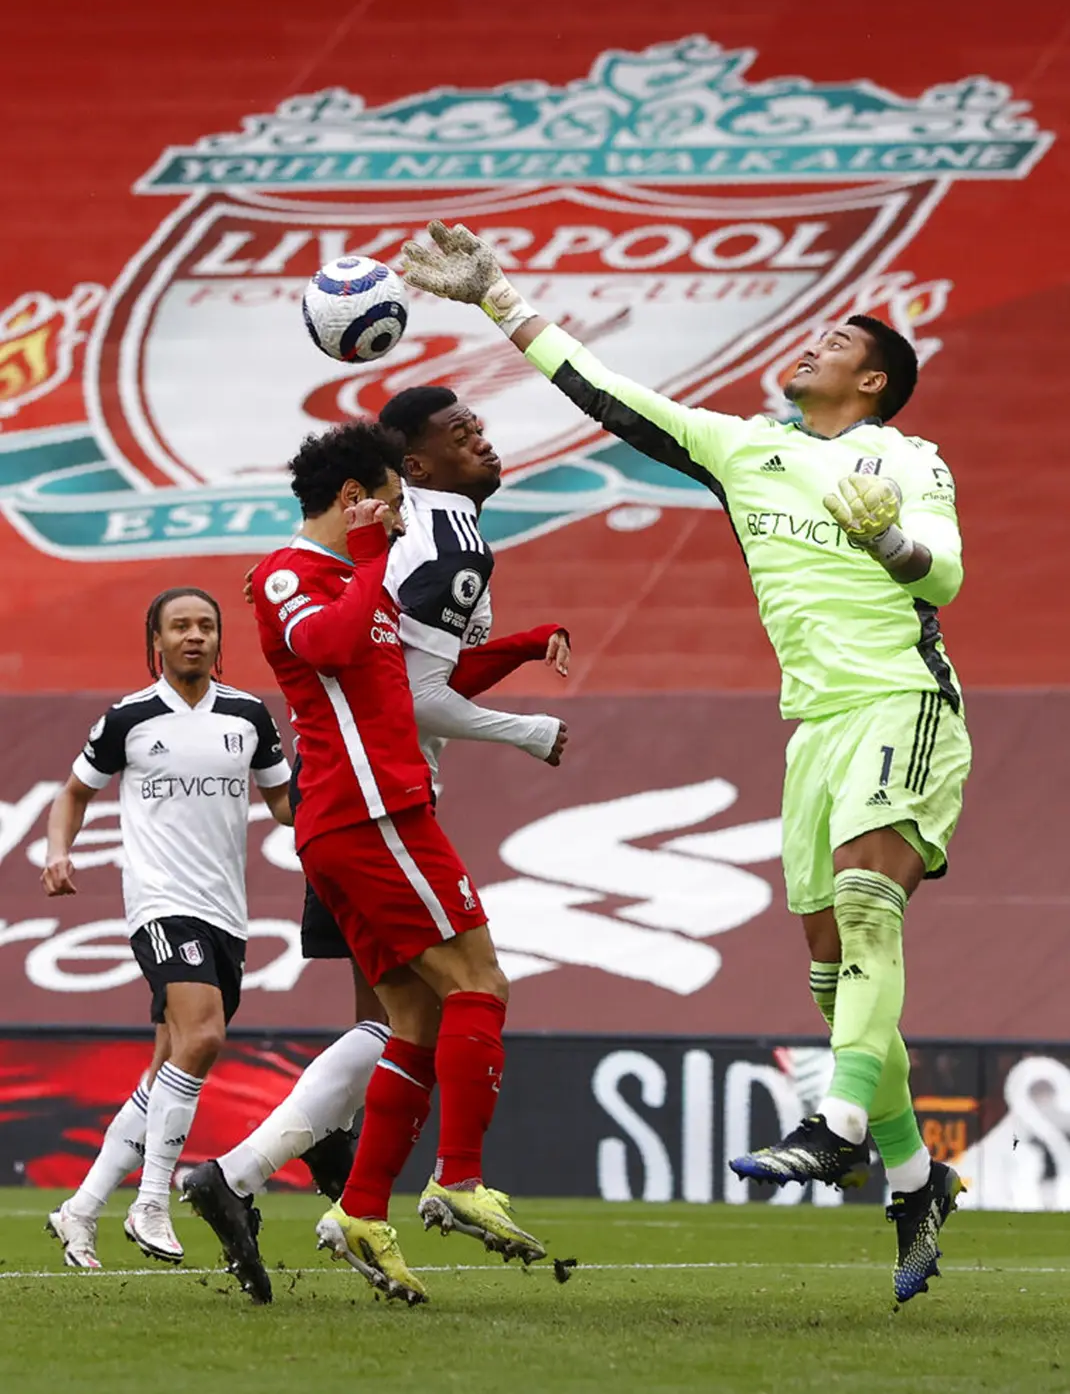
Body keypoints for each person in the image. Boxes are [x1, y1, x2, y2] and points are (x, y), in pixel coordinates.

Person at [402, 221, 972, 1305]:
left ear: (874, 379)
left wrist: (889, 543)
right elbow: (608, 393)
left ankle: (836, 1124)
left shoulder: (902, 458)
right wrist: (496, 298)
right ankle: (913, 1178)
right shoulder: (743, 447)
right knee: (830, 975)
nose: (808, 347)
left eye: (834, 340)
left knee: (864, 904)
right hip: (813, 726)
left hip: (901, 702)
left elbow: (940, 575)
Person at [182, 388, 570, 1304]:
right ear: (357, 495)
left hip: (371, 812)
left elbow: (405, 674)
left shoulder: (360, 578)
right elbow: (324, 641)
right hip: (371, 814)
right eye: (392, 498)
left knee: (416, 1021)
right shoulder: (292, 570)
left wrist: (516, 644)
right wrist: (366, 552)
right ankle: (461, 1177)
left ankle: (360, 1210)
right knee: (481, 984)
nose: (402, 516)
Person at [41, 589, 292, 1270]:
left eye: (206, 626)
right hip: (160, 902)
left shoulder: (247, 715)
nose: (194, 636)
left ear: (219, 639)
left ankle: (81, 1209)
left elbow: (286, 803)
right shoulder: (129, 717)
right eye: (180, 625)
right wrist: (58, 850)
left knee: (165, 1069)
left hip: (227, 914)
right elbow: (74, 792)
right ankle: (152, 1200)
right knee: (205, 1036)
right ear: (156, 638)